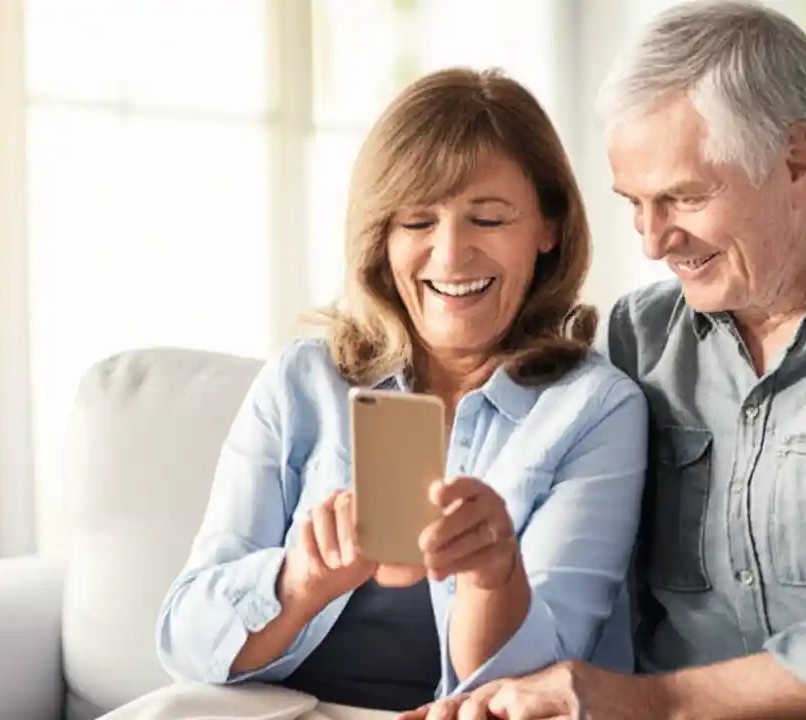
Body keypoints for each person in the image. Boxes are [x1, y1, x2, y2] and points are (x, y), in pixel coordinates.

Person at [401, 3, 806, 719]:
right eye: (634, 202)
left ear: (795, 161)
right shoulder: (643, 337)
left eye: (684, 197)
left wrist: (647, 703)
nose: (655, 241)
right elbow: (592, 598)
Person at [155, 68, 648, 713]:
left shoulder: (593, 410)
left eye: (489, 218)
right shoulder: (303, 384)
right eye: (417, 222)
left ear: (547, 227)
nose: (451, 256)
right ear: (382, 237)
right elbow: (184, 637)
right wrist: (302, 581)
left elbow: (540, 690)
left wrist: (490, 576)